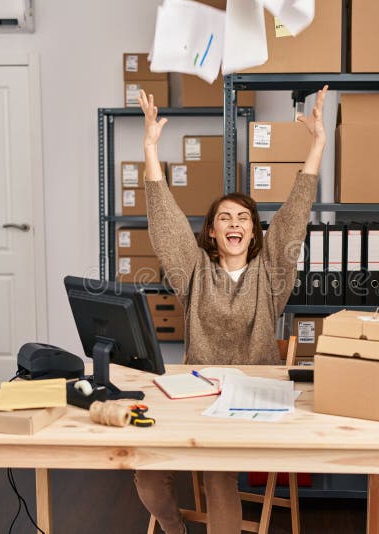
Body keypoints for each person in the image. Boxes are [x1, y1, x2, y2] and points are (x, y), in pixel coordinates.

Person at [133, 85, 328, 534]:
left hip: (253, 400)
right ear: (213, 233)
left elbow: (294, 214)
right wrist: (149, 148)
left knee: (219, 476)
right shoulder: (194, 270)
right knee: (144, 467)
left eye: (244, 217)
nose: (235, 223)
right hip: (196, 394)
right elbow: (165, 225)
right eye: (225, 218)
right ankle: (174, 527)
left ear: (255, 234)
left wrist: (317, 144)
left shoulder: (272, 273)